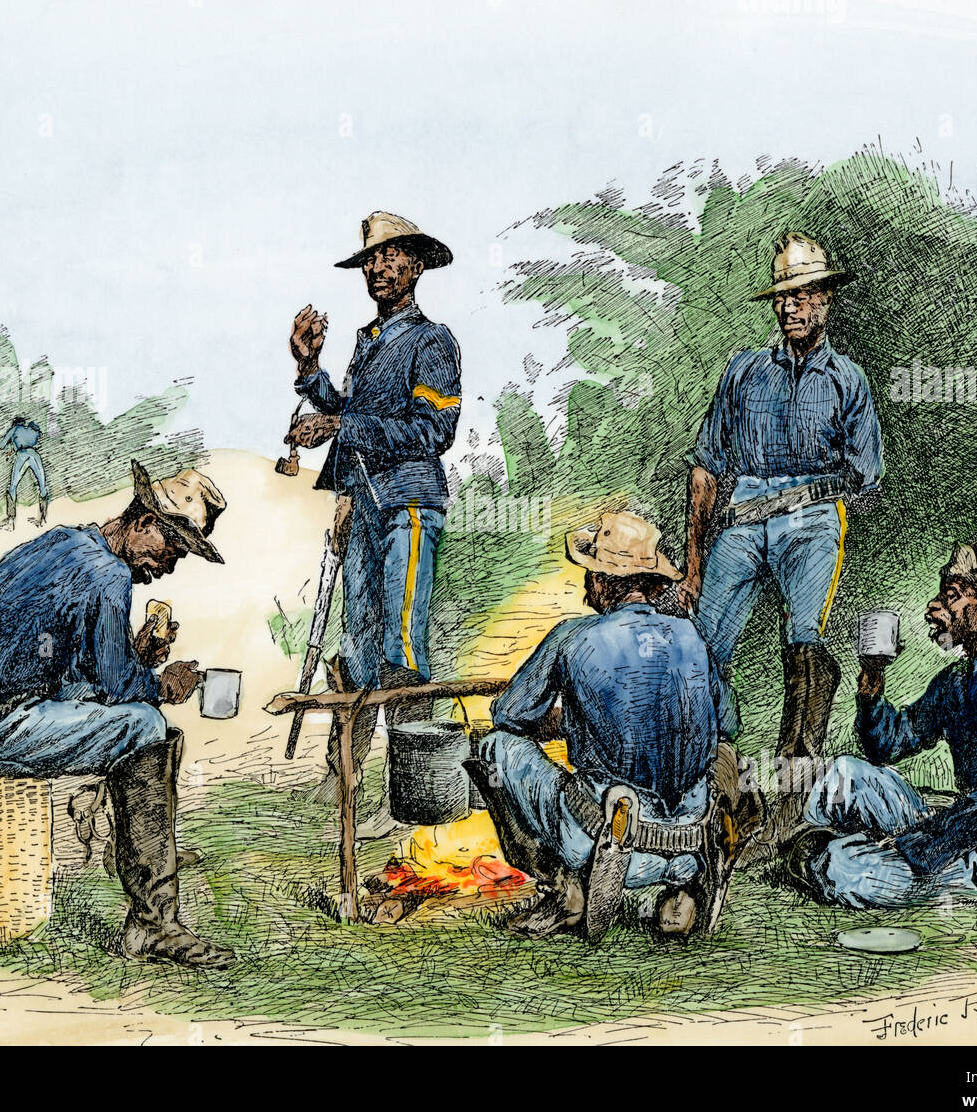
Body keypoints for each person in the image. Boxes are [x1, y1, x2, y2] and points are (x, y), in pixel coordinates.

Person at [0, 460, 234, 967]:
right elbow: (116, 685)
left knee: (130, 712)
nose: (170, 565)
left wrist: (137, 656)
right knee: (148, 726)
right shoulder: (107, 575)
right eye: (171, 547)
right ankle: (154, 919)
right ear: (143, 522)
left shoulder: (66, 543)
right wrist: (165, 685)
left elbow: (70, 665)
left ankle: (142, 849)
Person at [470, 512, 746, 939]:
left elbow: (509, 714)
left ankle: (567, 890)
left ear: (601, 581)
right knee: (719, 756)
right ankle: (681, 891)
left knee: (495, 748)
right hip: (688, 844)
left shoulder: (572, 636)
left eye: (590, 574)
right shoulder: (693, 636)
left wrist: (565, 721)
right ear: (653, 583)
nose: (586, 586)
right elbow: (727, 720)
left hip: (601, 842)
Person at [782, 543, 977, 910]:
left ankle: (836, 855)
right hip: (972, 827)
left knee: (842, 869)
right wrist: (871, 684)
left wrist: (916, 844)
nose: (933, 608)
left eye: (950, 596)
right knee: (842, 774)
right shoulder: (958, 680)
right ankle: (808, 841)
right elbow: (889, 744)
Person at [286, 211, 462, 840]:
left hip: (410, 506)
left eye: (393, 258)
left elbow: (431, 432)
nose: (380, 268)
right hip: (361, 508)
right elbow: (348, 411)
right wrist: (310, 372)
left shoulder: (433, 341)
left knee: (402, 645)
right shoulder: (366, 342)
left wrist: (339, 427)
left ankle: (408, 795)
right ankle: (347, 778)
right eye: (371, 260)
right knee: (357, 645)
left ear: (416, 266)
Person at [676, 233, 884, 766]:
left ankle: (796, 775)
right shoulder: (743, 371)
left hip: (813, 517)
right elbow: (705, 469)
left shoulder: (848, 381)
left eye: (802, 293)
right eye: (781, 295)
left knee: (804, 641)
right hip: (742, 517)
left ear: (826, 298)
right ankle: (714, 762)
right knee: (702, 643)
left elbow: (866, 476)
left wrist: (816, 503)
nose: (788, 306)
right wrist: (693, 566)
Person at [0, 415, 50, 530]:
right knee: (42, 485)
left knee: (13, 486)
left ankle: (11, 520)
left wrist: (10, 446)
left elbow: (1, 445)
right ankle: (42, 519)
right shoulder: (31, 430)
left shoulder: (14, 429)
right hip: (34, 455)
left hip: (22, 455)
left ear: (15, 423)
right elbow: (37, 438)